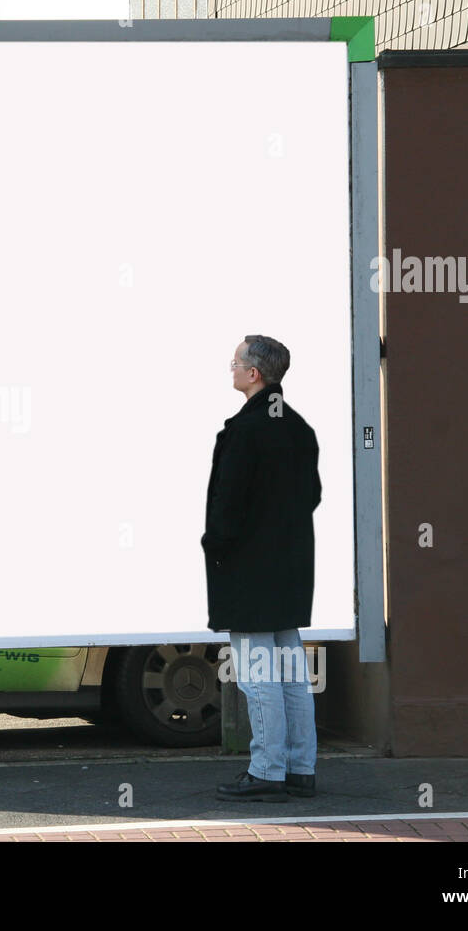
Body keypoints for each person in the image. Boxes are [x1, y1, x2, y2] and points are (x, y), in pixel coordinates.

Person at [202, 335, 321, 802]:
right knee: (291, 670)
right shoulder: (299, 428)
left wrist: (218, 546)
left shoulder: (246, 430)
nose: (230, 368)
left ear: (254, 374)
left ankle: (267, 769)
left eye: (235, 362)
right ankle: (299, 767)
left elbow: (226, 502)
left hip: (249, 571)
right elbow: (311, 497)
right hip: (290, 570)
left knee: (257, 674)